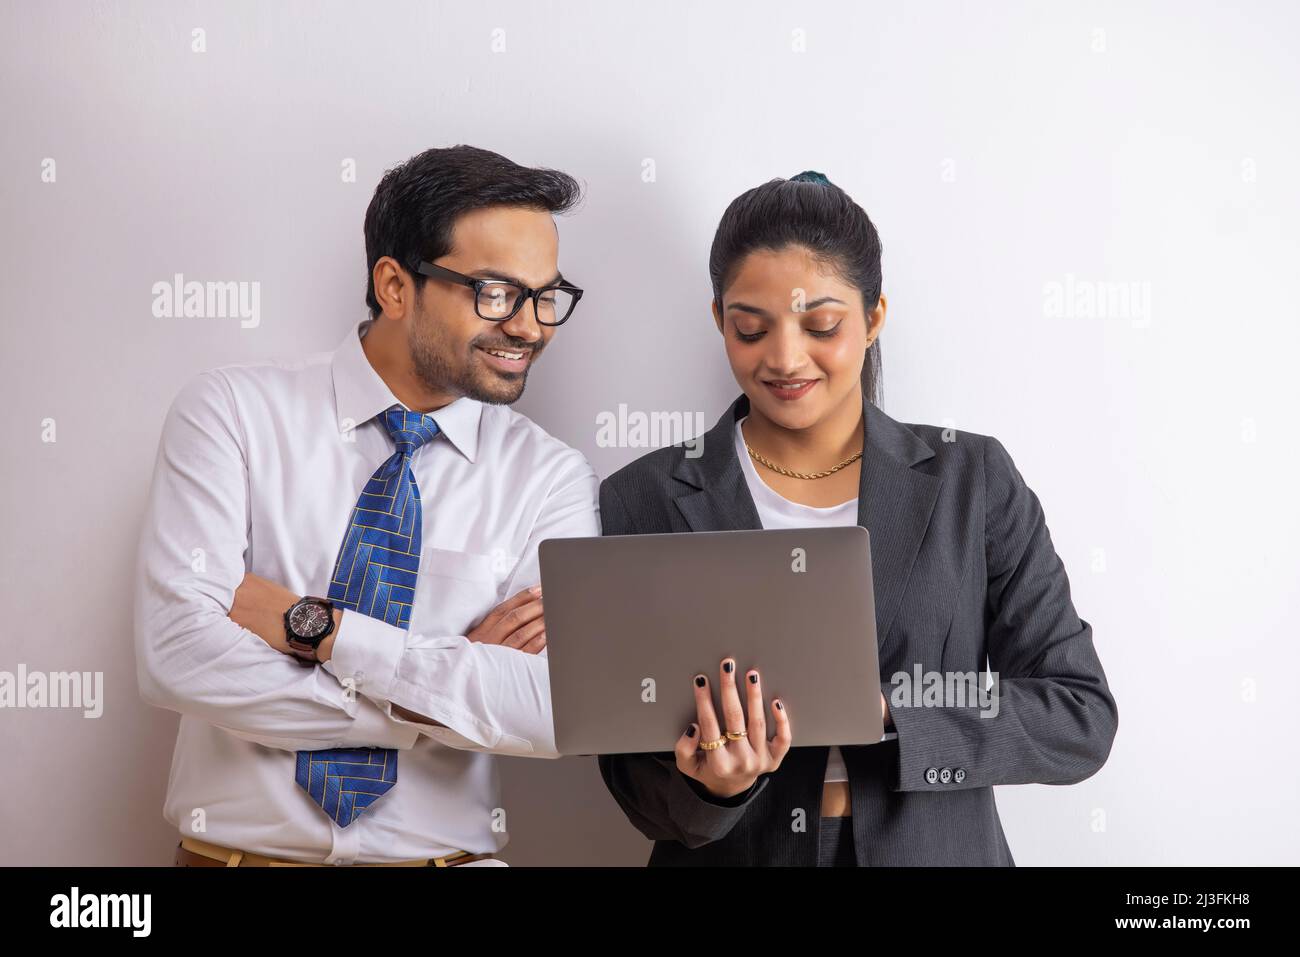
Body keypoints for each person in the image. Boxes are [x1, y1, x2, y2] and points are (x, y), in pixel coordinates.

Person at [597, 170, 1118, 866]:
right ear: (720, 319)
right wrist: (712, 788)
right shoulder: (644, 496)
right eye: (752, 328)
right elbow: (630, 782)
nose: (784, 358)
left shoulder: (973, 478)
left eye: (822, 325)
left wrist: (891, 712)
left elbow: (1077, 716)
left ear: (873, 317)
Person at [134, 145, 598, 866]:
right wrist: (429, 706)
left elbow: (548, 708)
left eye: (546, 296)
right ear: (395, 285)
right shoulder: (229, 413)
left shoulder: (550, 477)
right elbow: (177, 654)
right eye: (497, 293)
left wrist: (318, 629)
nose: (532, 327)